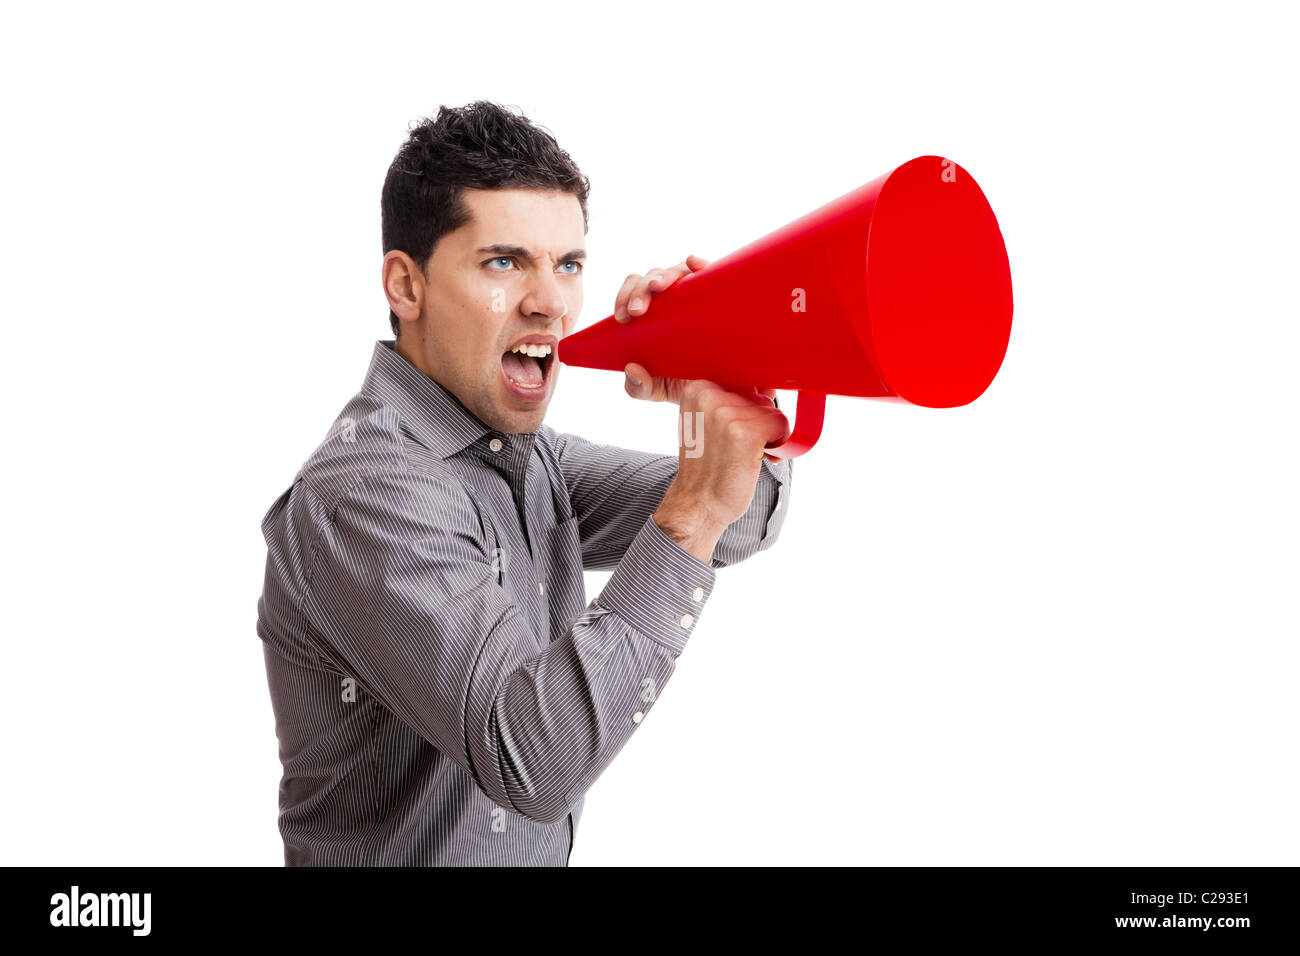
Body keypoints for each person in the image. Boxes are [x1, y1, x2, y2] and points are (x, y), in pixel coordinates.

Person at [256, 101, 793, 865]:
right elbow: (534, 761)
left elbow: (743, 520)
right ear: (406, 287)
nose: (551, 302)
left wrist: (734, 372)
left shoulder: (526, 458)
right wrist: (690, 515)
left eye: (568, 264)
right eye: (505, 262)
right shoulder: (363, 491)